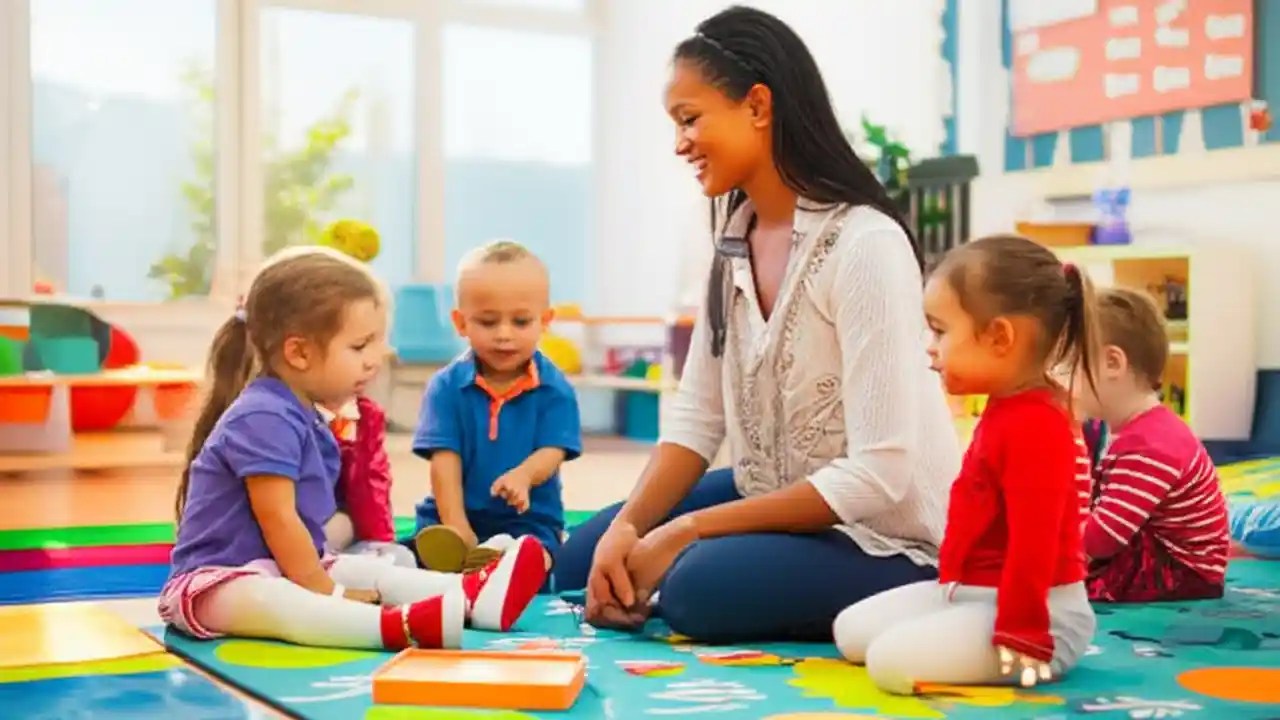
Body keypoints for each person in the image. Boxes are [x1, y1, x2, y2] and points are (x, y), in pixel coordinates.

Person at [552, 5, 961, 643]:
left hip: (888, 534)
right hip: (775, 501)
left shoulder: (865, 244)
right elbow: (698, 418)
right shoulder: (733, 241)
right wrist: (631, 526)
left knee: (695, 587)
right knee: (583, 557)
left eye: (690, 119)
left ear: (759, 106)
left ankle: (906, 595)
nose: (679, 143)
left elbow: (881, 474)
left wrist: (686, 529)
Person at [158, 251, 549, 650]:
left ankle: (468, 594)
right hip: (217, 583)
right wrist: (325, 590)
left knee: (369, 570)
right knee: (278, 601)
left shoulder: (306, 414)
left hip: (282, 565)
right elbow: (277, 517)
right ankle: (397, 627)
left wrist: (330, 578)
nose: (374, 361)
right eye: (360, 346)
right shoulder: (264, 415)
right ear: (299, 353)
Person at [833, 235, 1098, 694]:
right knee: (850, 631)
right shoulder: (1006, 406)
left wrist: (1023, 636)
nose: (929, 347)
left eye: (939, 330)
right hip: (972, 595)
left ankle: (1019, 646)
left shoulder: (1038, 426)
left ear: (999, 337)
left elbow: (1034, 544)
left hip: (1041, 619)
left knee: (886, 663)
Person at [410, 241, 581, 576]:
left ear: (544, 321)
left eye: (520, 322)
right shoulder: (446, 387)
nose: (504, 335)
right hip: (454, 514)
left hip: (527, 519)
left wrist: (524, 475)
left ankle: (505, 566)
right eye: (488, 322)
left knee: (540, 554)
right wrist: (458, 526)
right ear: (461, 323)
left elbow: (553, 451)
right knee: (417, 548)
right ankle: (449, 565)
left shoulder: (555, 389)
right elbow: (444, 463)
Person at [1077, 287, 1229, 602]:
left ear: (1112, 363)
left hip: (1182, 571)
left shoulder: (1150, 444)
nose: (1063, 381)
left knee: (1060, 580)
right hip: (1164, 554)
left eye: (1071, 365)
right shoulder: (1123, 430)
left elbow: (1102, 538)